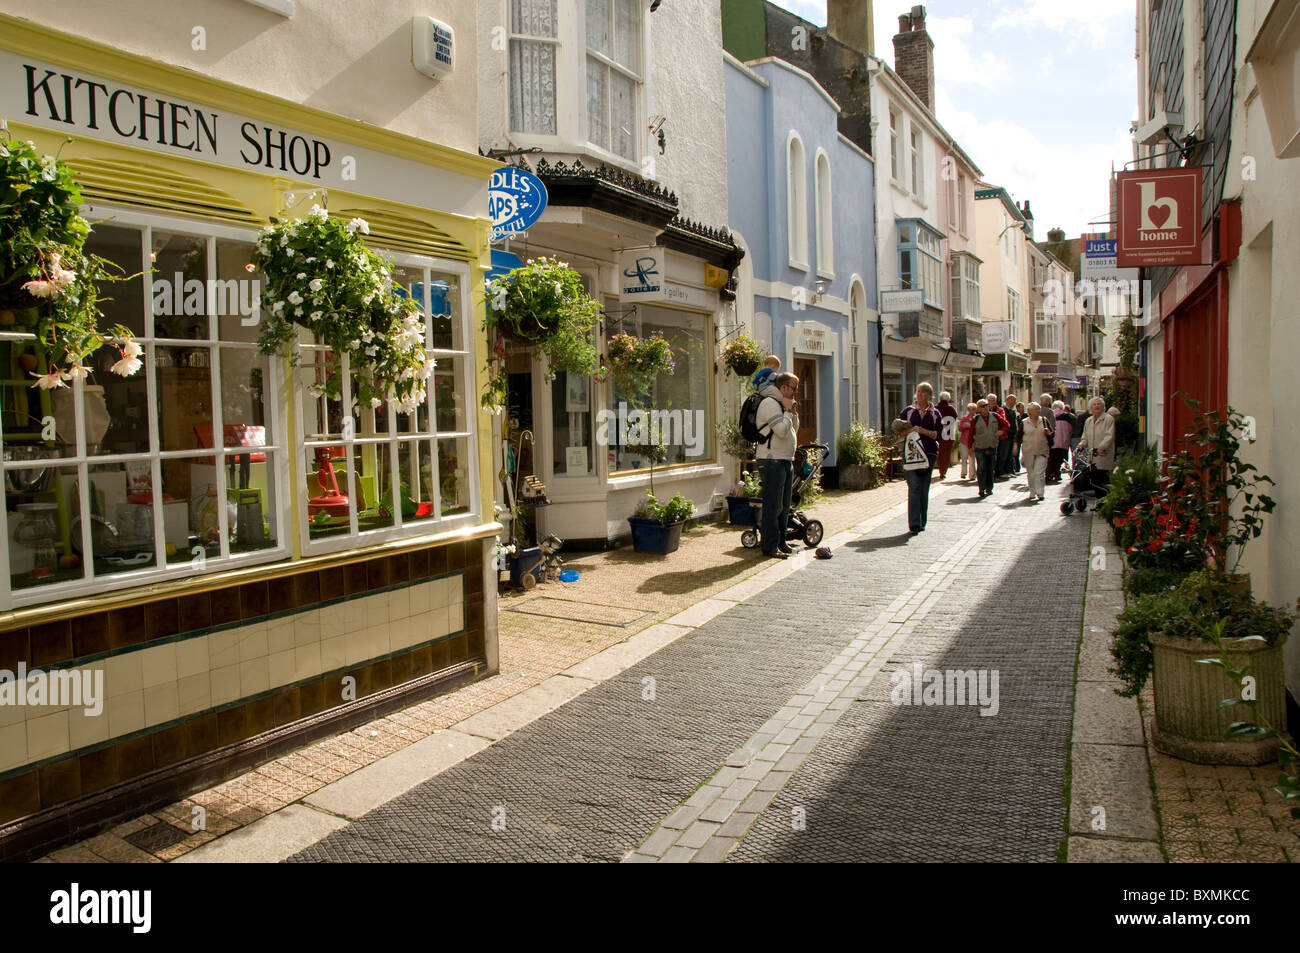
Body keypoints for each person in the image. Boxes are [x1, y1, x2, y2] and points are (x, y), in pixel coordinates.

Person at [755, 371, 800, 558]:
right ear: (783, 388)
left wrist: (793, 413)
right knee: (773, 506)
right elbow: (781, 431)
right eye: (794, 388)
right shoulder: (769, 404)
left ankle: (781, 542)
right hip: (772, 460)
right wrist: (788, 412)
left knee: (784, 505)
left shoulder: (783, 405)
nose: (795, 392)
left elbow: (793, 429)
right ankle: (769, 546)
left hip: (785, 459)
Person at [898, 382, 943, 534]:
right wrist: (911, 430)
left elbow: (939, 434)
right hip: (910, 454)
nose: (920, 394)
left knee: (923, 488)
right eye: (918, 391)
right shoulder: (908, 411)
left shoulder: (935, 414)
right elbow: (899, 431)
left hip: (929, 454)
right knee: (914, 487)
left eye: (923, 392)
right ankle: (914, 523)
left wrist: (924, 431)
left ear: (929, 395)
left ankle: (922, 520)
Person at [1078, 396, 1116, 494]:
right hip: (1091, 456)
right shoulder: (1088, 421)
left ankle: (1103, 503)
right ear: (1090, 407)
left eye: (1099, 404)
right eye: (1094, 404)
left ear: (1103, 406)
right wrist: (1081, 445)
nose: (1097, 406)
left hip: (1103, 454)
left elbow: (1109, 436)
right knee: (1094, 480)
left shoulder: (1108, 419)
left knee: (1103, 480)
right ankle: (1098, 503)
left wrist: (1102, 447)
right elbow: (1085, 436)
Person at [1020, 401, 1053, 501]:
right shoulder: (1024, 422)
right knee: (1031, 473)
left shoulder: (1044, 420)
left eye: (1039, 409)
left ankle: (1040, 493)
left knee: (1039, 473)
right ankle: (1032, 491)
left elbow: (1052, 434)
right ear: (1030, 411)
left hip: (1042, 450)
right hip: (1028, 450)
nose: (1038, 411)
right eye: (1035, 409)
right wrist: (1015, 446)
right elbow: (1018, 436)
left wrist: (1049, 433)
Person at [971, 398, 1003, 498]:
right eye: (983, 406)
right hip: (980, 447)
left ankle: (989, 488)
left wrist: (1002, 431)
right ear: (978, 409)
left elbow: (1006, 424)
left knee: (990, 469)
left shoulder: (995, 416)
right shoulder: (975, 419)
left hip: (992, 446)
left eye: (986, 405)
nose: (986, 407)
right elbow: (971, 433)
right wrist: (969, 446)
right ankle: (981, 488)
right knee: (981, 468)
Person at [1048, 399, 1073, 483]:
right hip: (1063, 441)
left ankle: (1052, 473)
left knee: (1052, 458)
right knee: (1060, 459)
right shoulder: (1066, 416)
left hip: (1052, 441)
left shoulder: (1050, 415)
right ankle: (1057, 474)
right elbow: (1070, 429)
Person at [935, 391, 958, 480]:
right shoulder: (950, 408)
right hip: (948, 433)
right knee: (946, 453)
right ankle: (943, 471)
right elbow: (955, 418)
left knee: (938, 451)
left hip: (937, 433)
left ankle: (939, 467)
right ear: (948, 399)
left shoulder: (936, 408)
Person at [958, 402, 976, 480]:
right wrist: (963, 426)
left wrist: (971, 426)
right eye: (970, 409)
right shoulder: (964, 418)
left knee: (972, 458)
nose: (971, 411)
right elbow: (960, 429)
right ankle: (963, 473)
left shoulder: (977, 418)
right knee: (964, 457)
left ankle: (972, 475)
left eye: (973, 409)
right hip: (964, 440)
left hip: (973, 441)